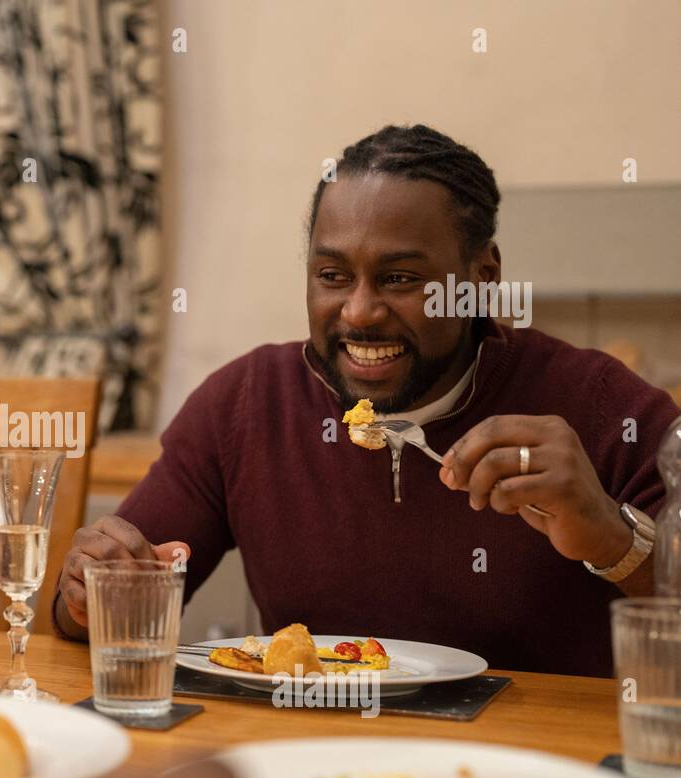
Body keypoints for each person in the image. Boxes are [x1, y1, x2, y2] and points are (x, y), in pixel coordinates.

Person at [52, 125, 678, 677]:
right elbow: (107, 604)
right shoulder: (246, 405)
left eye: (400, 279)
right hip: (315, 773)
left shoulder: (596, 404)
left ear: (482, 279)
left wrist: (615, 541)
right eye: (332, 276)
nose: (358, 312)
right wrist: (89, 590)